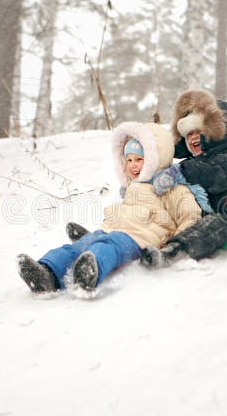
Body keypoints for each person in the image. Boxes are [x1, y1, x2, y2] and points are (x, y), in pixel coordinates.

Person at [16, 121, 202, 293]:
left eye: (139, 159)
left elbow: (190, 215)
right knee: (81, 245)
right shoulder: (132, 187)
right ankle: (46, 273)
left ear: (156, 158)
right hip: (112, 230)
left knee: (106, 247)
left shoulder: (171, 188)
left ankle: (87, 273)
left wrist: (175, 246)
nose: (133, 166)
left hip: (138, 239)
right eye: (129, 160)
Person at [137, 89, 227, 268]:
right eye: (187, 134)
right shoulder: (191, 162)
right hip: (200, 216)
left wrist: (184, 170)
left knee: (217, 223)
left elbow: (217, 177)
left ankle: (175, 250)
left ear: (216, 131)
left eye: (198, 131)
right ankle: (128, 237)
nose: (192, 138)